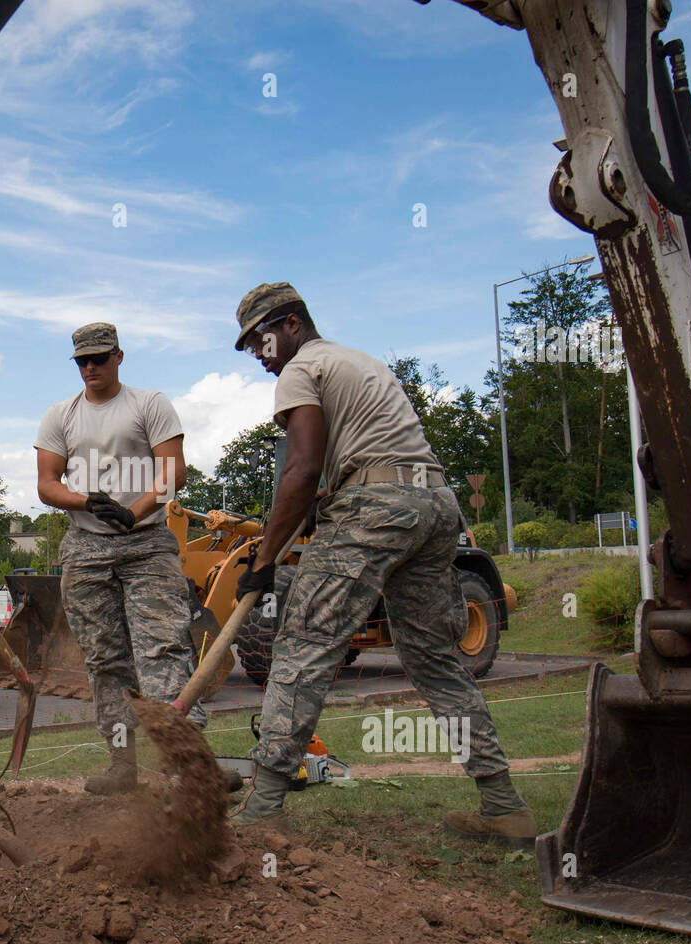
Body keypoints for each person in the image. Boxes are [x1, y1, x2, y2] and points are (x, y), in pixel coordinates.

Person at [229, 282, 535, 845]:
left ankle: (264, 803)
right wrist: (329, 501)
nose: (259, 357)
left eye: (260, 341)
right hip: (434, 504)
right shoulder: (360, 362)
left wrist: (266, 559)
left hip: (375, 508)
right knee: (435, 660)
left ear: (291, 324)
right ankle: (503, 804)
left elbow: (300, 469)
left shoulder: (303, 369)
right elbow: (361, 460)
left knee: (302, 644)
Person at [35, 321, 204, 794]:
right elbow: (47, 484)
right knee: (105, 660)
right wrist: (86, 502)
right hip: (86, 550)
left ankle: (187, 766)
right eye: (82, 361)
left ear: (119, 357)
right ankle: (121, 766)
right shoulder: (59, 416)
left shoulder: (149, 405)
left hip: (146, 543)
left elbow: (174, 471)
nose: (90, 368)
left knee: (163, 648)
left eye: (99, 359)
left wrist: (134, 513)